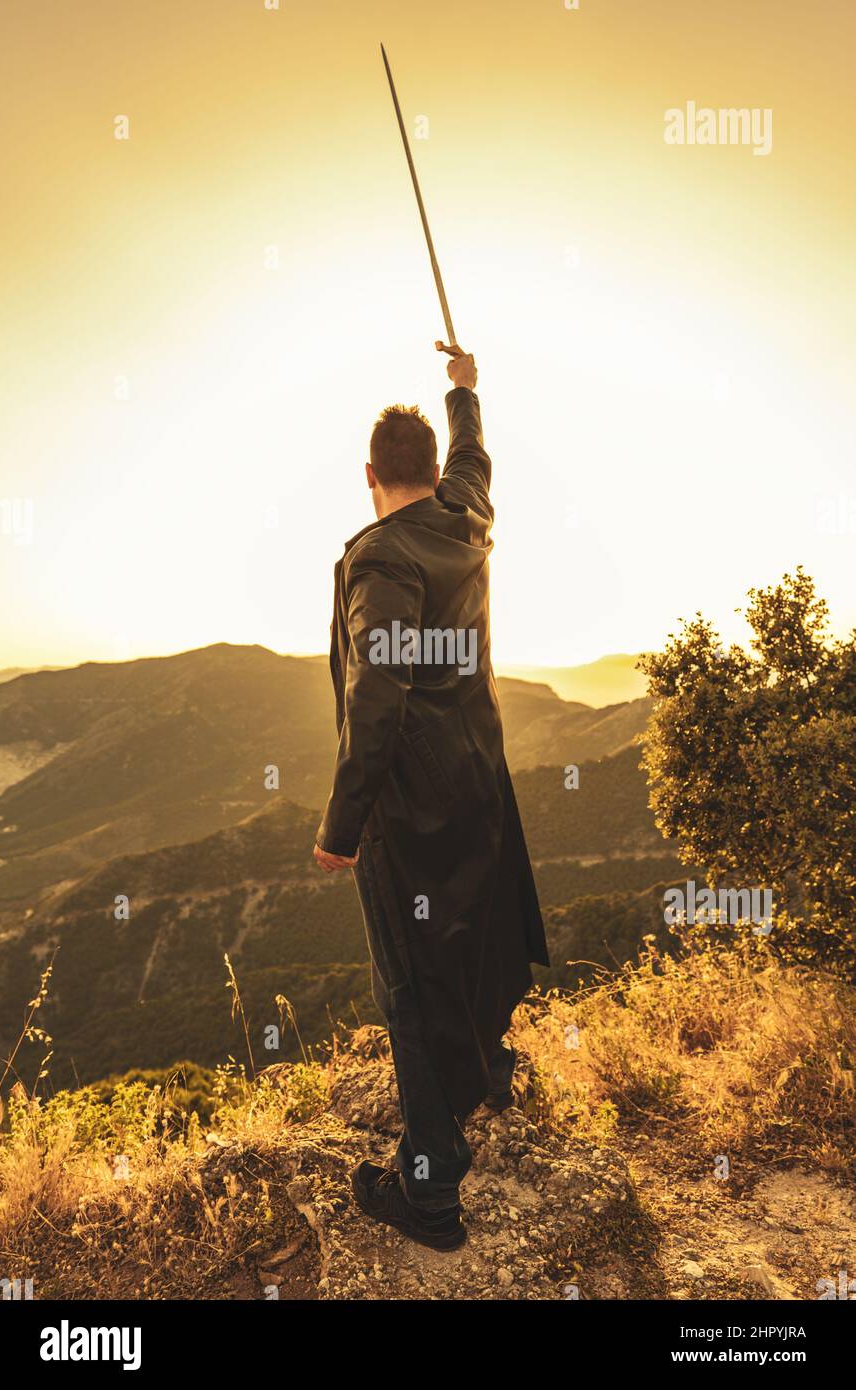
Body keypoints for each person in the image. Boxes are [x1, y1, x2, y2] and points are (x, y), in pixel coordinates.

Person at [313, 342, 548, 1250]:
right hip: (481, 779)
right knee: (479, 930)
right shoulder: (466, 517)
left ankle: (432, 1191)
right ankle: (488, 1065)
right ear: (433, 473)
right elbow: (477, 462)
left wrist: (344, 822)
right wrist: (466, 394)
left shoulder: (380, 559)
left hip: (411, 808)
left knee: (410, 988)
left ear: (370, 474)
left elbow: (375, 693)